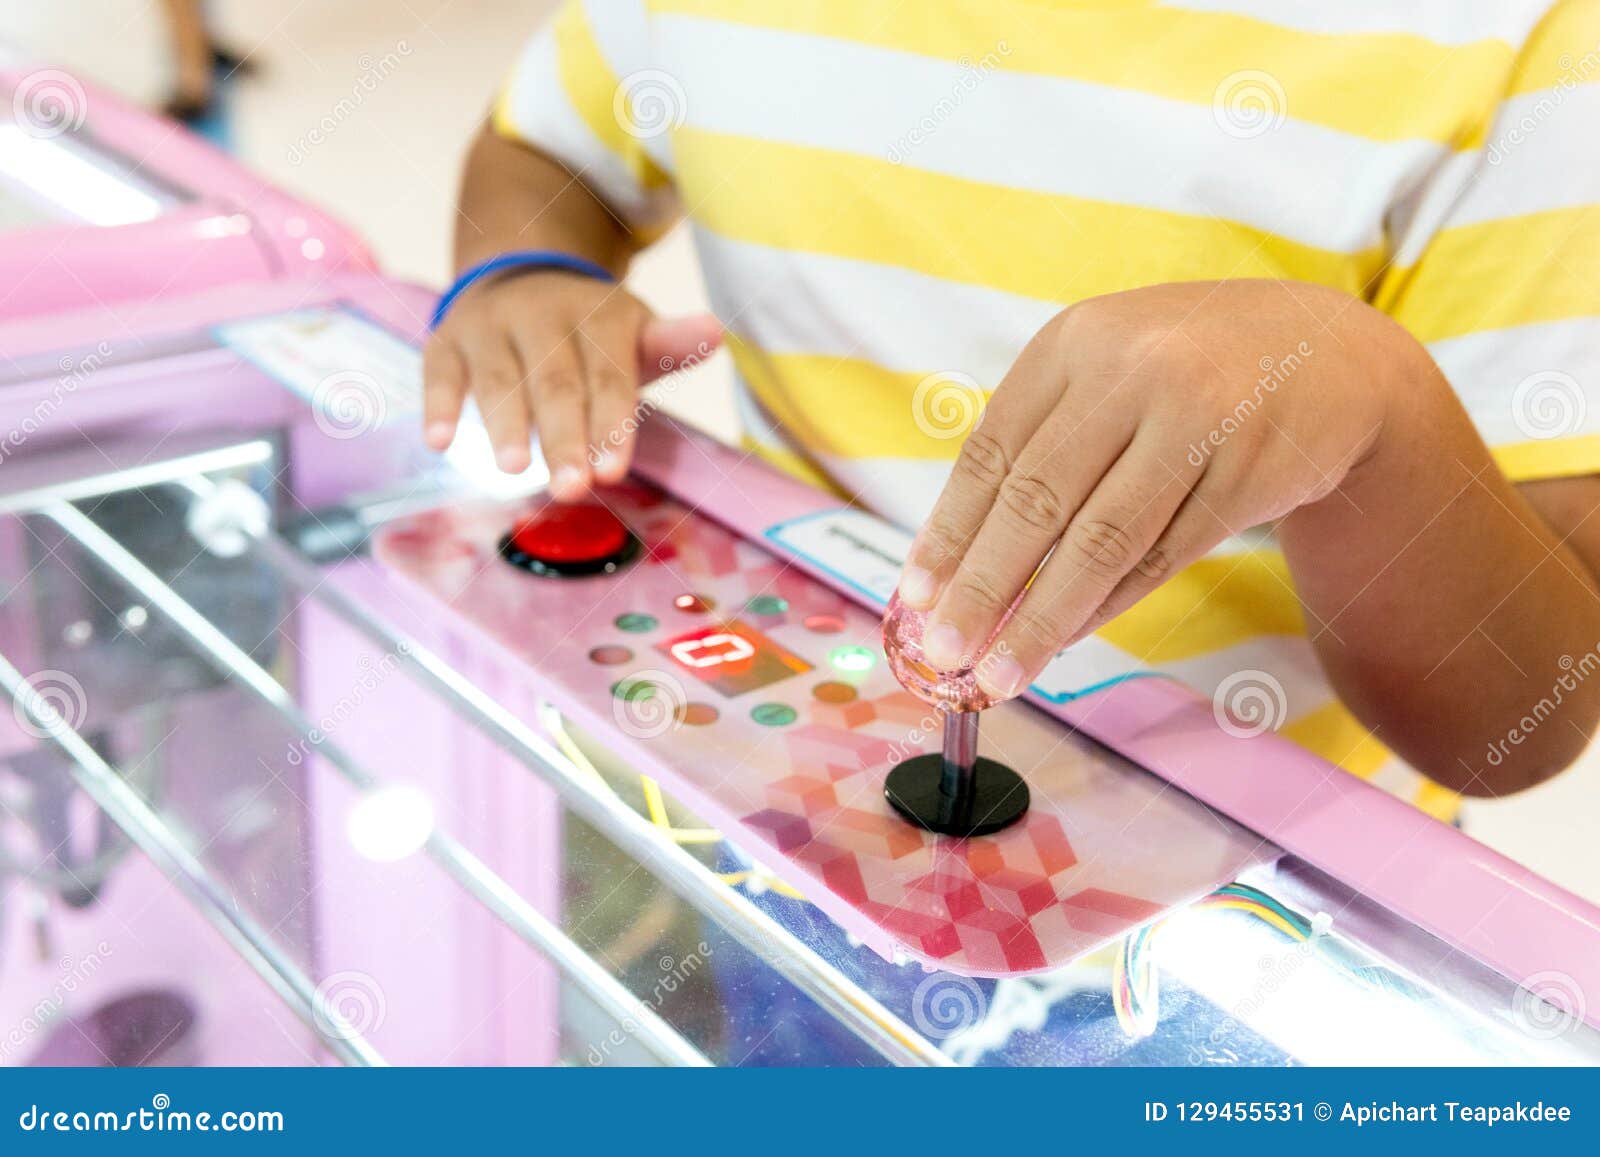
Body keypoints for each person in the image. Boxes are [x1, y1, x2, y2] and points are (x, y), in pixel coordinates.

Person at [423, 0, 1600, 815]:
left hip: (1262, 916)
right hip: (779, 801)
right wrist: (530, 273)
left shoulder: (1521, 46)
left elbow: (1518, 713)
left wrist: (1372, 403)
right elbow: (538, 152)